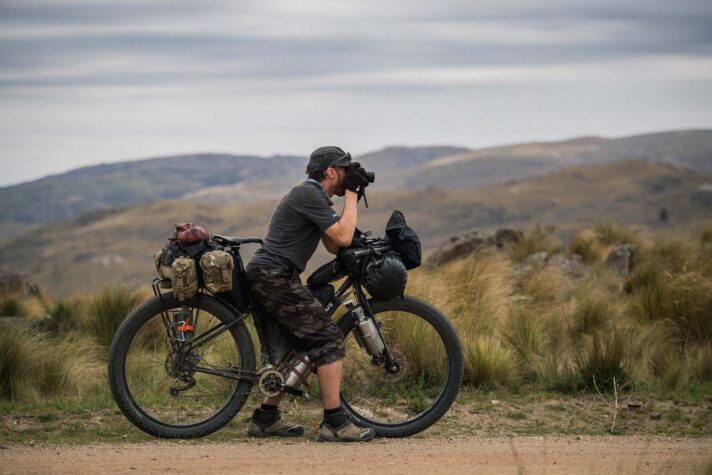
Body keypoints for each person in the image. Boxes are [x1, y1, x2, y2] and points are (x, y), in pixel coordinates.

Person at [244, 146, 374, 442]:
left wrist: (350, 196)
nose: (347, 176)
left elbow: (334, 244)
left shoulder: (316, 197)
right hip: (272, 276)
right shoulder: (308, 194)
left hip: (275, 276)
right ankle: (335, 423)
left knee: (302, 345)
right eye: (345, 170)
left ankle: (265, 418)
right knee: (327, 337)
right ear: (330, 172)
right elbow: (342, 236)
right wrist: (352, 193)